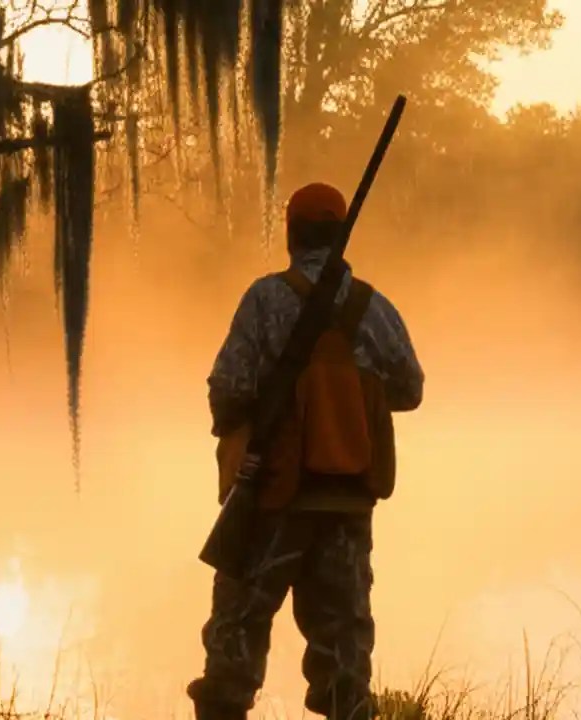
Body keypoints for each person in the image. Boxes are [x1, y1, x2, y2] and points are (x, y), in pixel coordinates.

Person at [187, 182, 425, 720]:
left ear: (291, 236)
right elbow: (409, 388)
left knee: (234, 650)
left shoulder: (266, 299)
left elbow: (227, 388)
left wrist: (269, 415)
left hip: (271, 497)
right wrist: (349, 395)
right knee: (345, 667)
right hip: (345, 508)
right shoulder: (373, 307)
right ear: (340, 236)